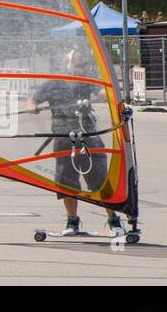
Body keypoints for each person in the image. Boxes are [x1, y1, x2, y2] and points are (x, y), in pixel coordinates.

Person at [26, 48, 125, 237]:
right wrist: (32, 105)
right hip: (64, 138)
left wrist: (115, 97)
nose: (83, 68)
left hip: (89, 136)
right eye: (79, 65)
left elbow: (101, 92)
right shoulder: (53, 84)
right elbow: (33, 98)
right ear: (68, 66)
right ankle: (72, 220)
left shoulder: (85, 83)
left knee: (99, 178)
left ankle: (113, 219)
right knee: (66, 181)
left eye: (84, 65)